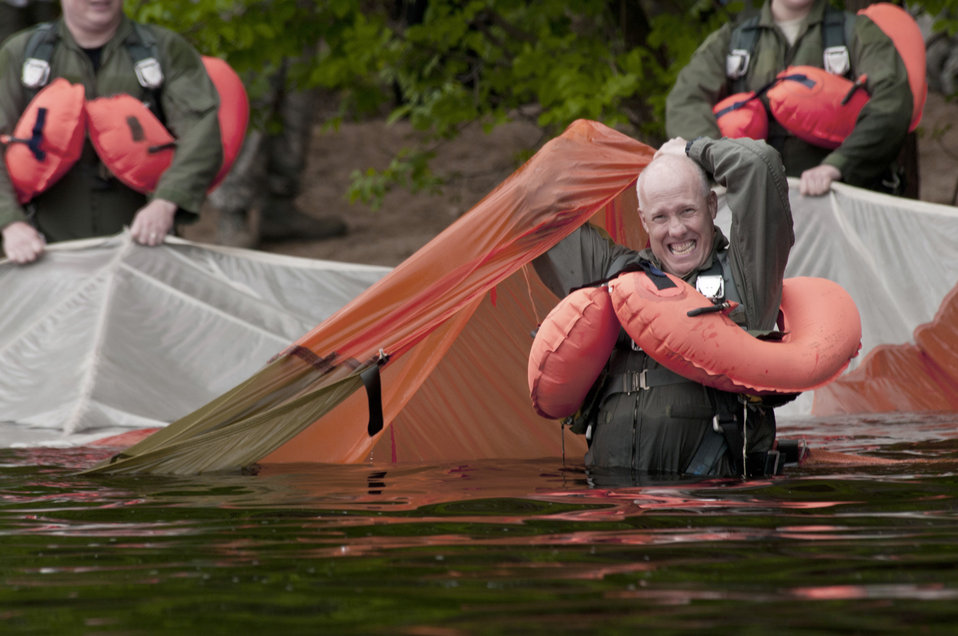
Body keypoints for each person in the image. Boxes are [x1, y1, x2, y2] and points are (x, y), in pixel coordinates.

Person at [533, 136, 794, 478]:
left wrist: (690, 150)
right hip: (612, 499)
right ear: (644, 221)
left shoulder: (747, 275)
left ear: (712, 205)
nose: (677, 230)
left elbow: (760, 165)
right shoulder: (615, 273)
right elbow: (535, 200)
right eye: (660, 217)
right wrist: (614, 155)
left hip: (713, 498)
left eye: (687, 211)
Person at [0, 0, 222, 264]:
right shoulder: (21, 54)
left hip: (145, 243)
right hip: (42, 247)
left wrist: (166, 202)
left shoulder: (163, 50)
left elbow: (200, 132)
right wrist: (10, 222)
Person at [666, 0, 913, 197]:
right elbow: (685, 102)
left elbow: (893, 103)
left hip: (838, 203)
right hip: (753, 208)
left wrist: (839, 165)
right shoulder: (732, 41)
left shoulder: (858, 32)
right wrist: (720, 161)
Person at [208, 48, 347, 248]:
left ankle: (279, 207)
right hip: (251, 34)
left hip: (302, 30)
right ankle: (232, 211)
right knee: (250, 101)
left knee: (297, 104)